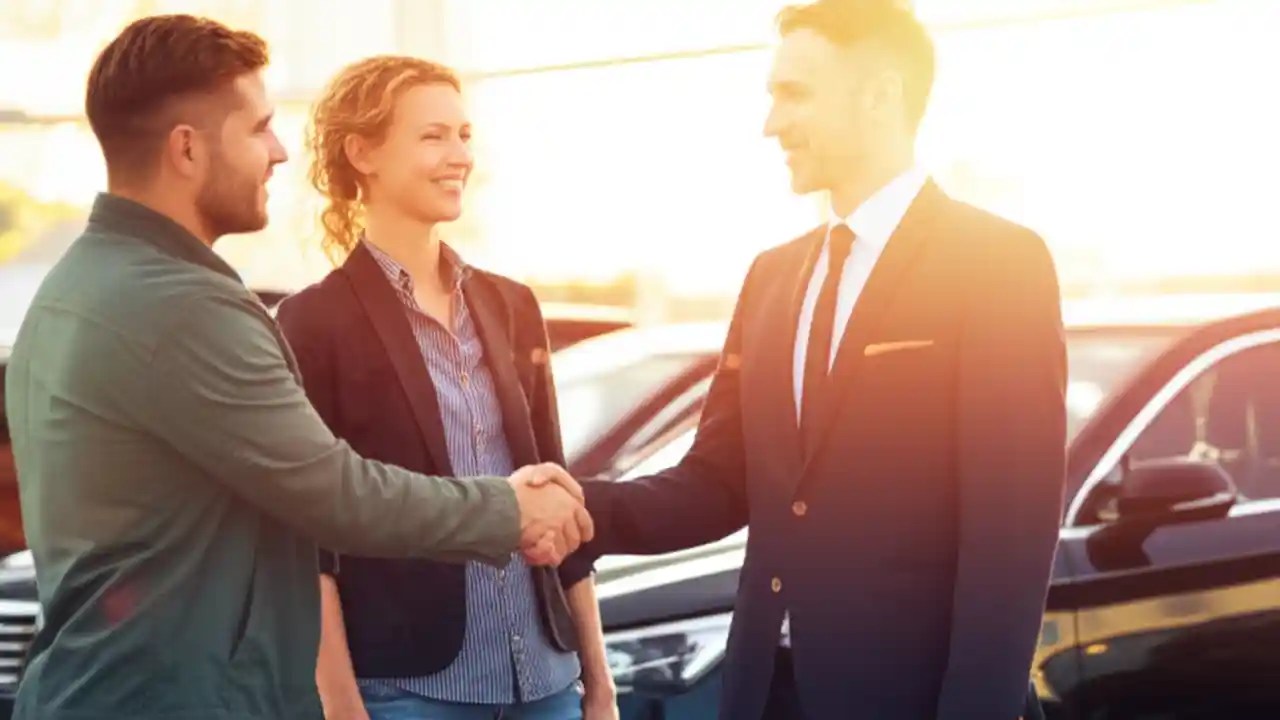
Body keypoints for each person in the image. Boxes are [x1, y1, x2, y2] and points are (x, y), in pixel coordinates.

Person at [3, 15, 591, 720]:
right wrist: (510, 507)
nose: (279, 152)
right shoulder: (178, 305)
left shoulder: (77, 285)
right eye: (257, 128)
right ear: (187, 149)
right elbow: (336, 495)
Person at [576, 1, 1067, 718]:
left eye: (793, 93)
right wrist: (576, 505)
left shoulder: (999, 263)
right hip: (764, 692)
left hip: (910, 699)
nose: (771, 123)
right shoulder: (772, 278)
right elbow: (717, 482)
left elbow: (1010, 542)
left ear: (880, 94)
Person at [275, 56, 617, 720]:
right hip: (409, 691)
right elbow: (307, 538)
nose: (459, 154)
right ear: (362, 153)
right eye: (433, 136)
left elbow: (559, 497)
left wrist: (597, 683)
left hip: (546, 680)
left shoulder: (512, 304)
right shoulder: (312, 322)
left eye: (463, 134)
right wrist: (341, 706)